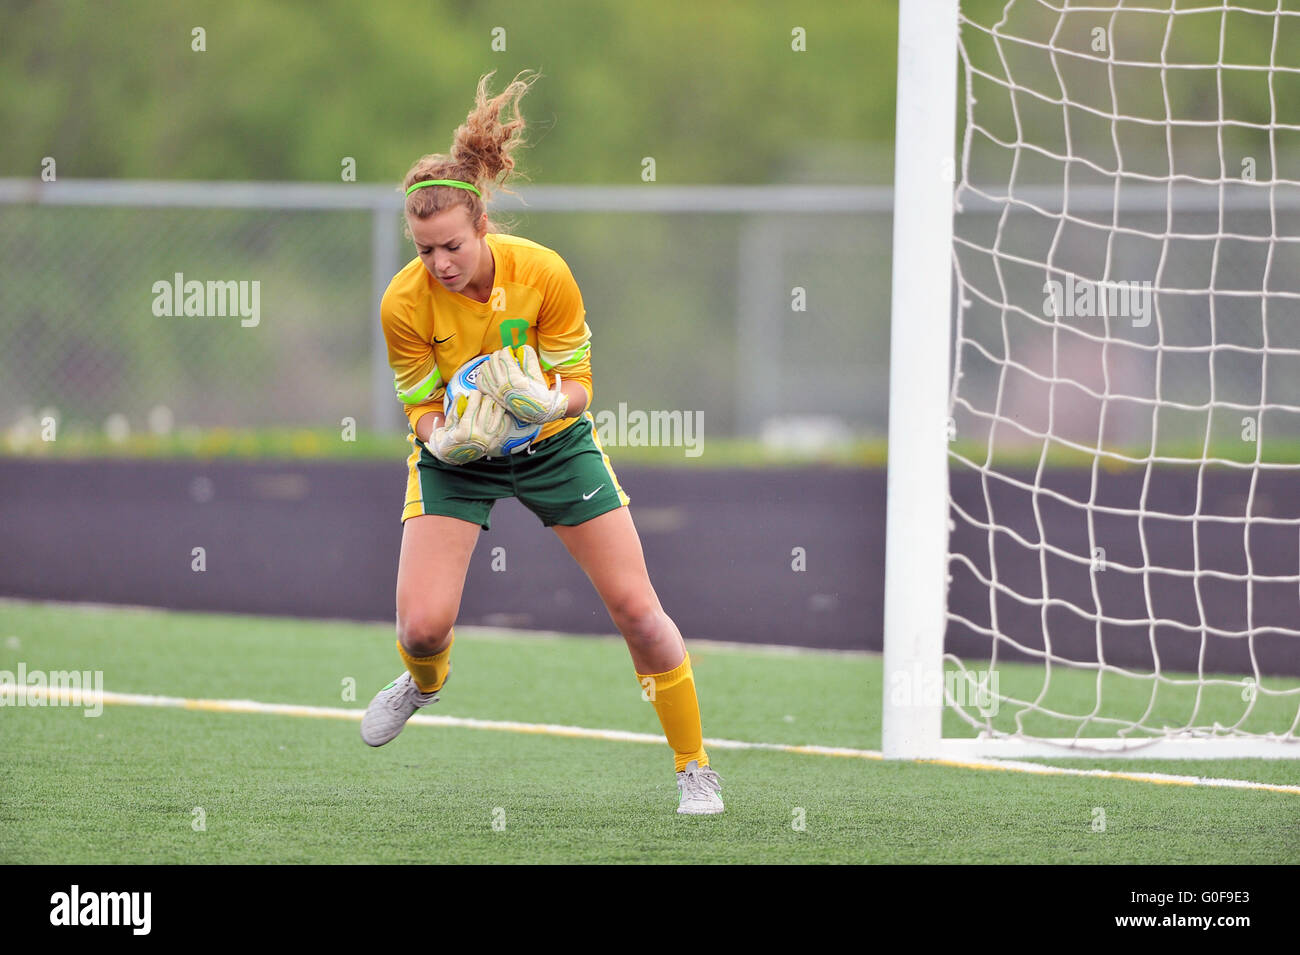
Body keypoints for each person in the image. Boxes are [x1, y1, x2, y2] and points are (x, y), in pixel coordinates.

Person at [360, 71, 722, 815]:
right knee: (421, 625)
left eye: (451, 246)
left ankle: (694, 768)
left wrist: (549, 401)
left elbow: (581, 382)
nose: (440, 264)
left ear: (482, 224)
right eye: (425, 251)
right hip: (458, 460)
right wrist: (450, 437)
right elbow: (421, 406)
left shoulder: (545, 273)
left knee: (637, 609)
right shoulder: (402, 301)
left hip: (555, 444)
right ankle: (424, 683)